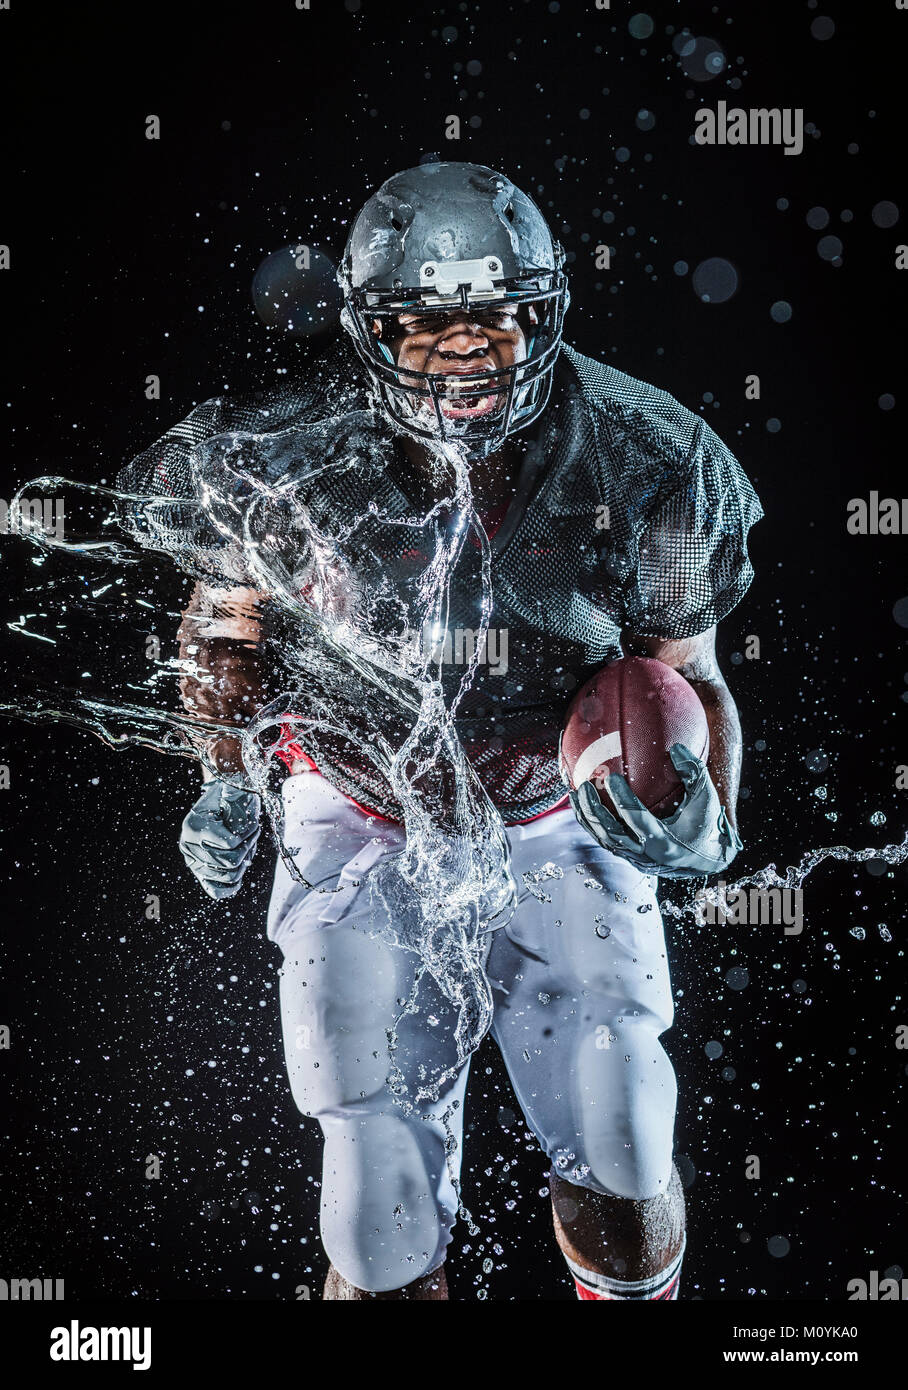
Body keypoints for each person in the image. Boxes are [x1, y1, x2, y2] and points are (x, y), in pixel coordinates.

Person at [123, 161, 762, 1300]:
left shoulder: (652, 457)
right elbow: (221, 625)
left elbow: (686, 670)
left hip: (558, 808)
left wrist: (714, 809)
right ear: (374, 330)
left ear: (546, 309)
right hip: (361, 802)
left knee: (622, 1149)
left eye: (496, 319)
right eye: (428, 327)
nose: (467, 353)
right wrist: (219, 773)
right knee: (377, 1217)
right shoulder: (285, 455)